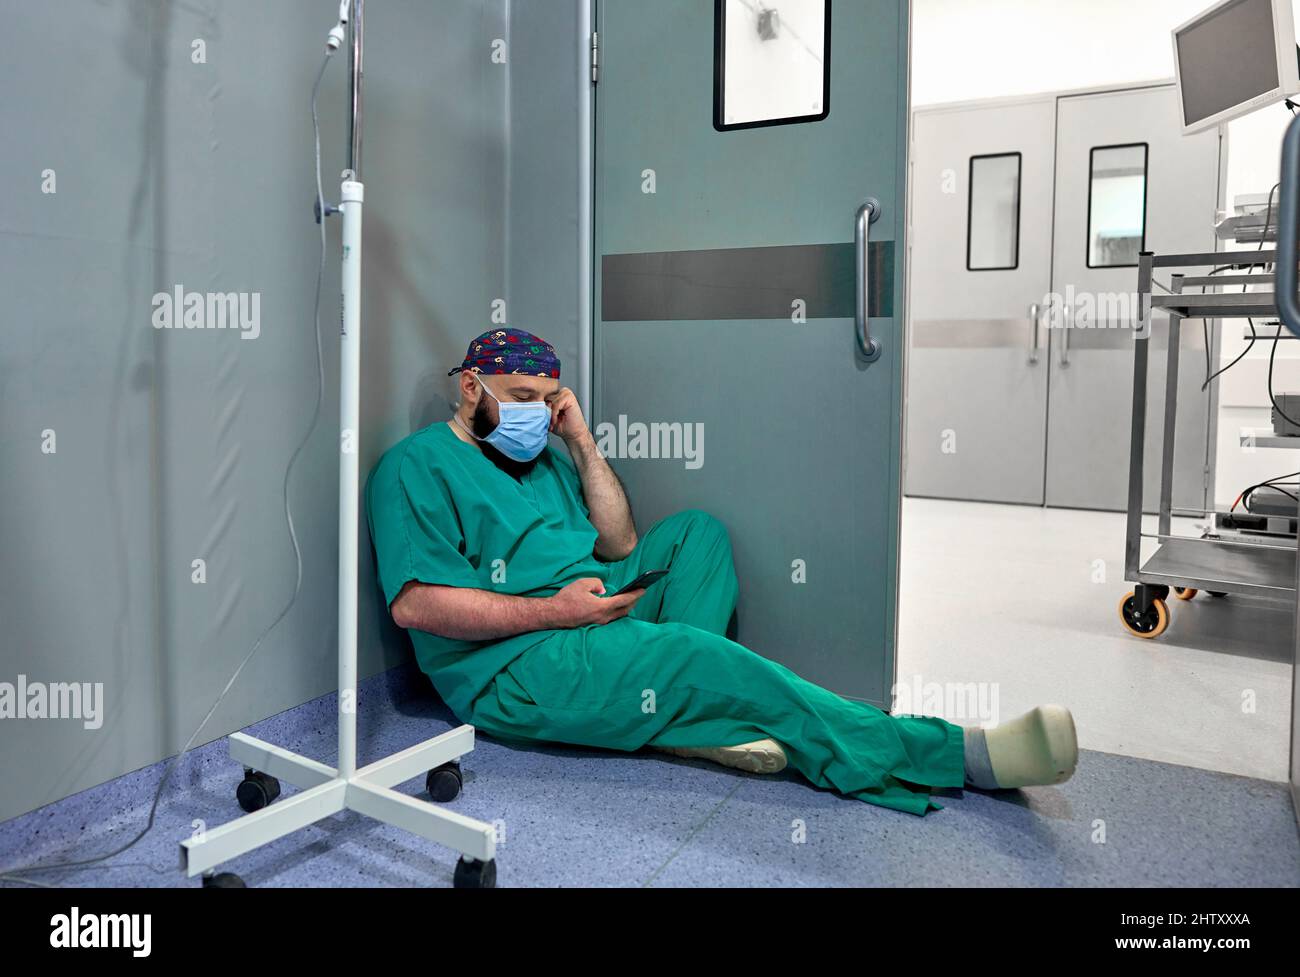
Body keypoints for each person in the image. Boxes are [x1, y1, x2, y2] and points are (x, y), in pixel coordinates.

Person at [364, 329, 1078, 815]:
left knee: (696, 533)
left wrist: (578, 439)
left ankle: (676, 710)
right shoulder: (415, 466)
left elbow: (621, 540)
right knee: (692, 653)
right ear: (469, 388)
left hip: (591, 604)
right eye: (520, 397)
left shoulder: (546, 454)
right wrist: (554, 613)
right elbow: (417, 605)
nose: (535, 414)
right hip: (517, 662)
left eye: (547, 400)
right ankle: (956, 753)